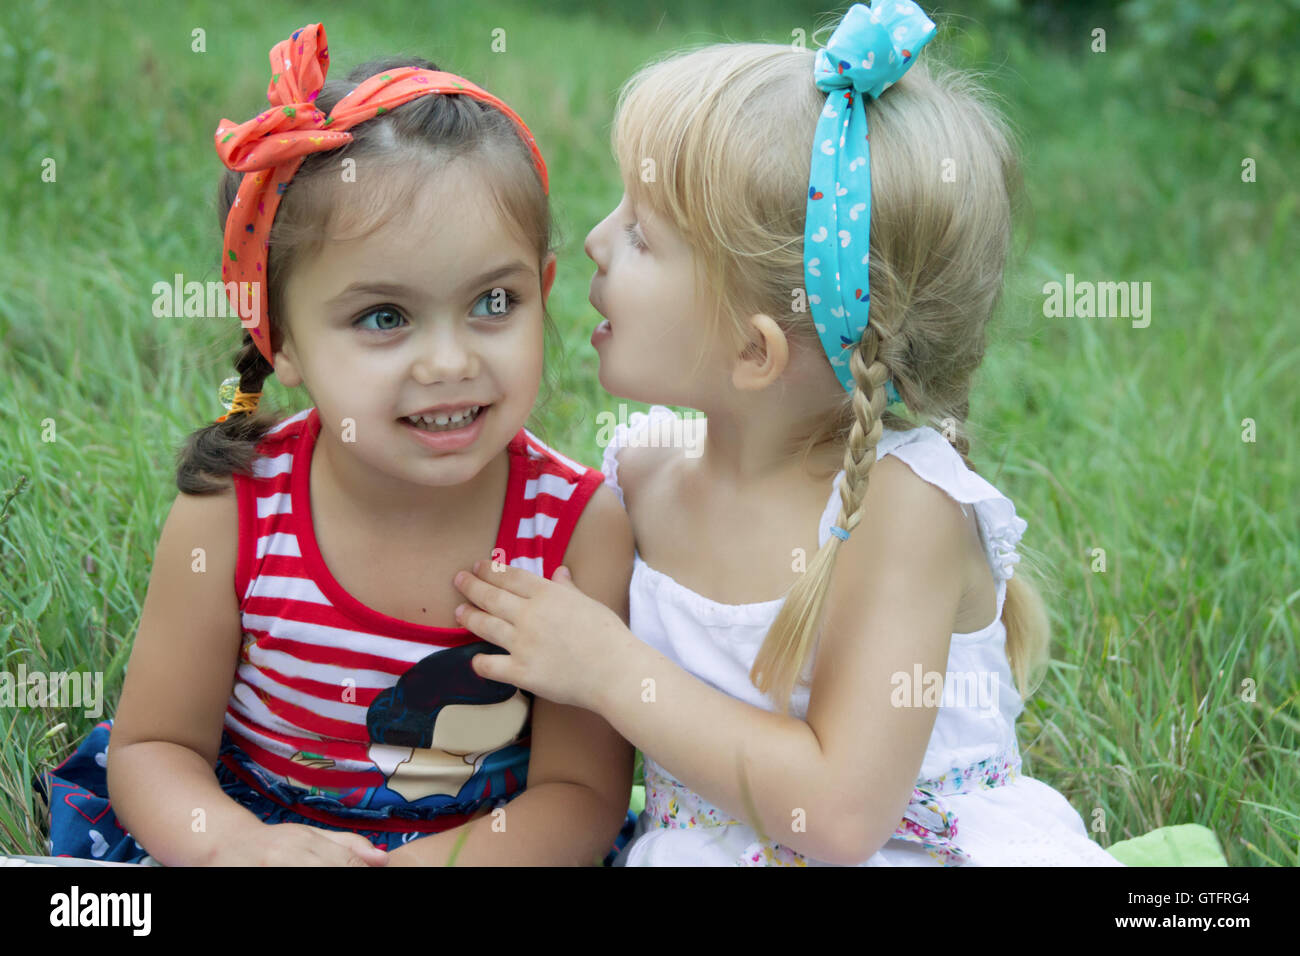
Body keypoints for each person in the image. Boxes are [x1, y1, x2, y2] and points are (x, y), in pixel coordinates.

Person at [447, 1, 1124, 865]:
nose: (594, 242)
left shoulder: (899, 509)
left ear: (754, 349)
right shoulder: (639, 476)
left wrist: (608, 667)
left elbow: (841, 819)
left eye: (643, 236)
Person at [36, 23, 636, 867]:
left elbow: (581, 797)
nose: (450, 361)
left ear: (542, 293)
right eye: (384, 317)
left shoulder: (577, 530)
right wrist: (238, 847)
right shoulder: (236, 509)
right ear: (281, 339)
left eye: (493, 303)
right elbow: (155, 749)